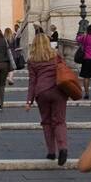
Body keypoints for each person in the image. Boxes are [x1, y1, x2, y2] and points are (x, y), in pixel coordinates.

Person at [23, 31, 69, 163]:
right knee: (59, 121)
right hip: (58, 91)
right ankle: (63, 147)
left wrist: (29, 101)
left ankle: (51, 152)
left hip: (41, 92)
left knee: (46, 122)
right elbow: (64, 71)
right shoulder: (56, 56)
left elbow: (32, 82)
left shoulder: (32, 61)